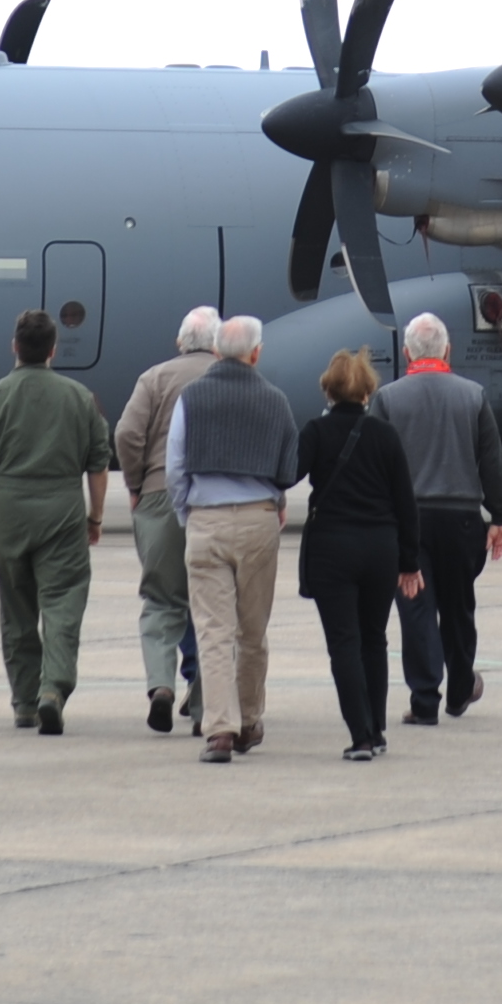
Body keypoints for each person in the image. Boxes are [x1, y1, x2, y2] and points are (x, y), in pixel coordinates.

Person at [0, 307, 109, 735]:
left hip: (11, 512)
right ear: (53, 350)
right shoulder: (80, 397)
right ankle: (53, 688)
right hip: (62, 508)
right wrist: (95, 516)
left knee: (17, 610)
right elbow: (99, 463)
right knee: (62, 603)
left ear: (14, 348)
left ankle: (23, 701)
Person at [167, 315, 298, 763]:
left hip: (206, 519)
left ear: (217, 352)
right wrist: (274, 500)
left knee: (212, 630)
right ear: (256, 353)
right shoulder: (276, 401)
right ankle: (248, 719)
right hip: (260, 519)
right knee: (253, 630)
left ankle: (218, 729)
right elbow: (288, 468)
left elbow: (175, 466)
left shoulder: (192, 397)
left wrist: (188, 511)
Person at [375, 313, 502, 725]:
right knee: (459, 607)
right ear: (448, 351)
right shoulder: (473, 395)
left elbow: (377, 464)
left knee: (415, 609)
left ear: (406, 353)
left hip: (408, 521)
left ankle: (423, 700)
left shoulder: (388, 398)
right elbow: (492, 461)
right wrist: (501, 515)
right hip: (462, 519)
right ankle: (459, 689)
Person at [293, 347, 426, 763]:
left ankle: (361, 735)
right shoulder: (385, 435)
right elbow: (406, 503)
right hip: (380, 548)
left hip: (332, 547)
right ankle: (378, 728)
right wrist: (410, 562)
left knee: (344, 644)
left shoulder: (316, 431)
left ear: (328, 390)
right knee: (374, 639)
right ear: (368, 391)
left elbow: (288, 474)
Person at [112, 307, 222, 733]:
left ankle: (161, 685)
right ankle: (202, 706)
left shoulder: (154, 378)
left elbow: (126, 433)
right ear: (217, 344)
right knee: (213, 605)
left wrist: (137, 482)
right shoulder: (228, 376)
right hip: (214, 501)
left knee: (161, 600)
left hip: (158, 496)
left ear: (180, 343)